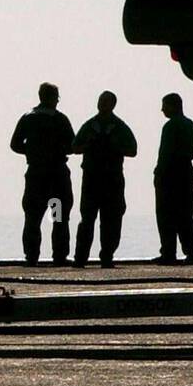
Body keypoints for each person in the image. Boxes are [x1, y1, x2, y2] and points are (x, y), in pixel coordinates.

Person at [10, 82, 76, 266]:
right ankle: (59, 256)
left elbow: (15, 144)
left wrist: (32, 151)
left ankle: (31, 256)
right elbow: (72, 145)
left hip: (36, 175)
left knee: (33, 217)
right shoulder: (60, 119)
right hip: (56, 176)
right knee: (58, 216)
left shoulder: (28, 118)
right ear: (53, 98)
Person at [72, 91, 138, 268]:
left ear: (112, 104)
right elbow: (75, 147)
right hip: (92, 179)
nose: (102, 104)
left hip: (112, 179)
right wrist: (89, 145)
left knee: (111, 220)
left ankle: (107, 256)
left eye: (105, 101)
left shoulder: (119, 126)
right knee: (87, 220)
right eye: (100, 100)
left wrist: (115, 146)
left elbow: (133, 149)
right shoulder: (90, 126)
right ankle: (80, 257)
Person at [153, 92, 193, 265]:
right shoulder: (190, 125)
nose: (162, 109)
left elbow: (164, 153)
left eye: (165, 105)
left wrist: (159, 174)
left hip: (169, 177)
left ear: (173, 106)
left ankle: (168, 252)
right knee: (185, 216)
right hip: (186, 174)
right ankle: (192, 251)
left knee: (166, 216)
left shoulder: (170, 126)